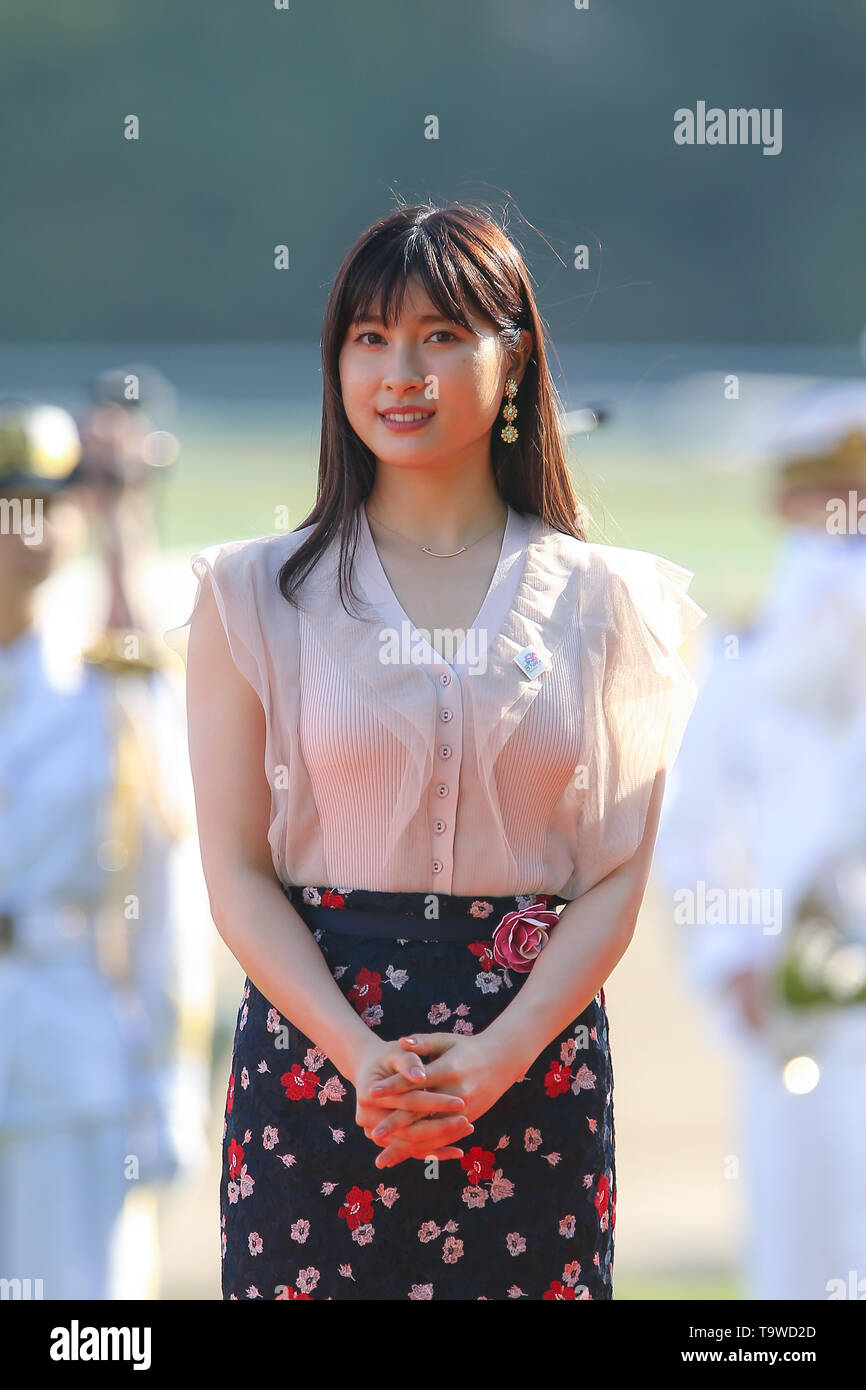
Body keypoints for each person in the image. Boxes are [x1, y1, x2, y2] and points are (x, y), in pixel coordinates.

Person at [165, 201, 706, 1301]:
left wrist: (500, 1056)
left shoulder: (613, 603)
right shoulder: (249, 595)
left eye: (440, 335)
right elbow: (233, 869)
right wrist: (356, 1052)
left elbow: (612, 879)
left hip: (533, 1068)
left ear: (514, 361)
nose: (398, 370)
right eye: (368, 338)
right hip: (319, 1074)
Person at [653, 379, 866, 1300]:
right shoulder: (745, 650)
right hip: (792, 981)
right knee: (796, 1246)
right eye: (828, 494)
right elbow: (693, 819)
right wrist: (729, 953)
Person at [0, 398, 207, 1299]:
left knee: (85, 1332)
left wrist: (168, 1082)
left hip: (71, 1056)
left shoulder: (111, 691)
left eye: (50, 500)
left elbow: (165, 902)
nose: (27, 526)